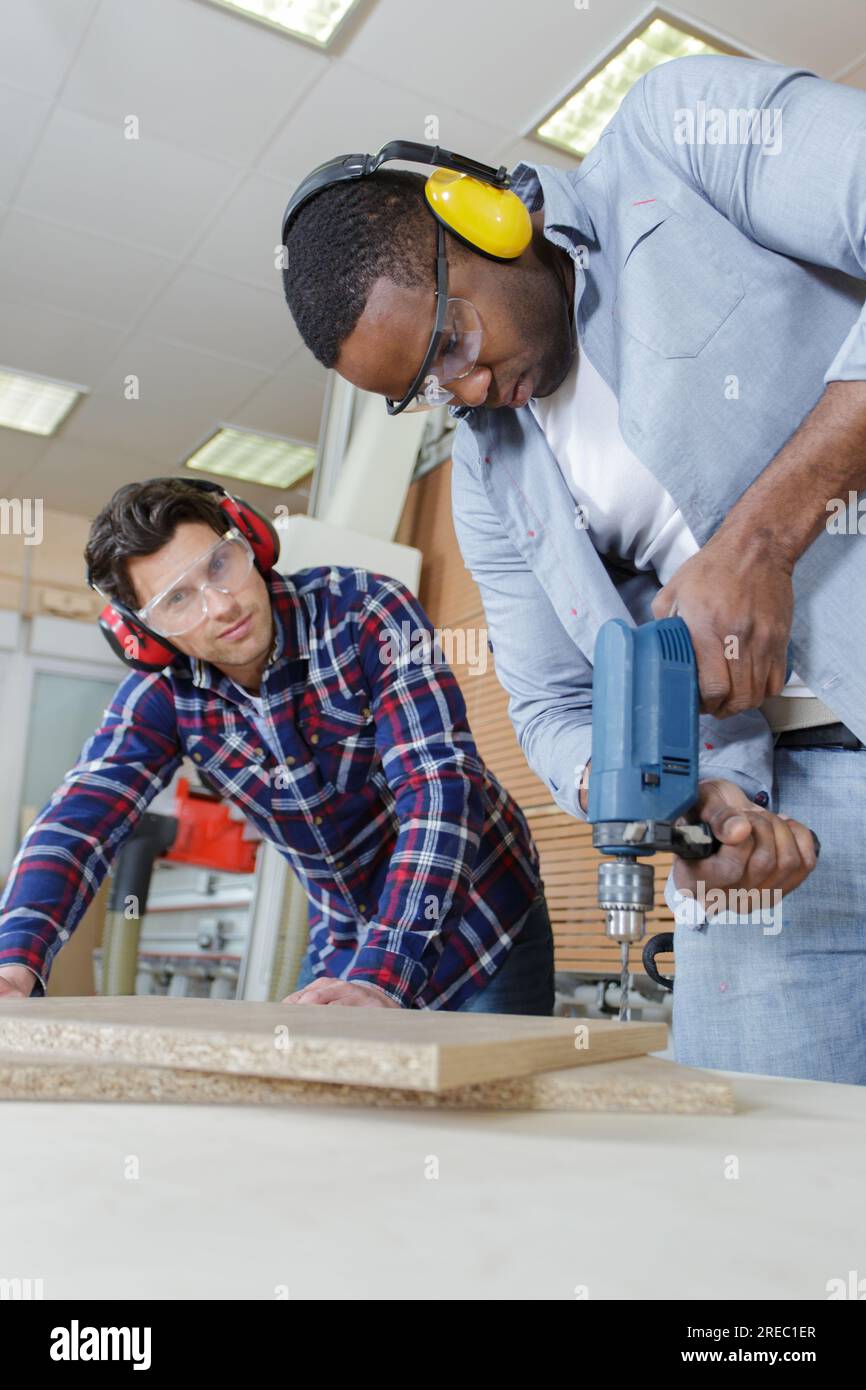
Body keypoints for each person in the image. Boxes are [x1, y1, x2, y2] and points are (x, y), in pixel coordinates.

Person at [280, 55, 866, 1082]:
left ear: (484, 218)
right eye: (430, 388)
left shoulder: (674, 143)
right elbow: (551, 701)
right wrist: (682, 804)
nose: (467, 388)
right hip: (778, 834)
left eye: (453, 340)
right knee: (761, 1182)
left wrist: (763, 538)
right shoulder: (488, 475)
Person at [0, 478, 551, 1014]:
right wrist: (15, 959)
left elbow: (438, 785)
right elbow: (79, 818)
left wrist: (383, 976)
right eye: (177, 600)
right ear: (146, 634)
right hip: (346, 939)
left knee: (485, 1103)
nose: (219, 606)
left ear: (250, 541)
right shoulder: (162, 693)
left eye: (219, 566)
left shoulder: (366, 613)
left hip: (482, 925)